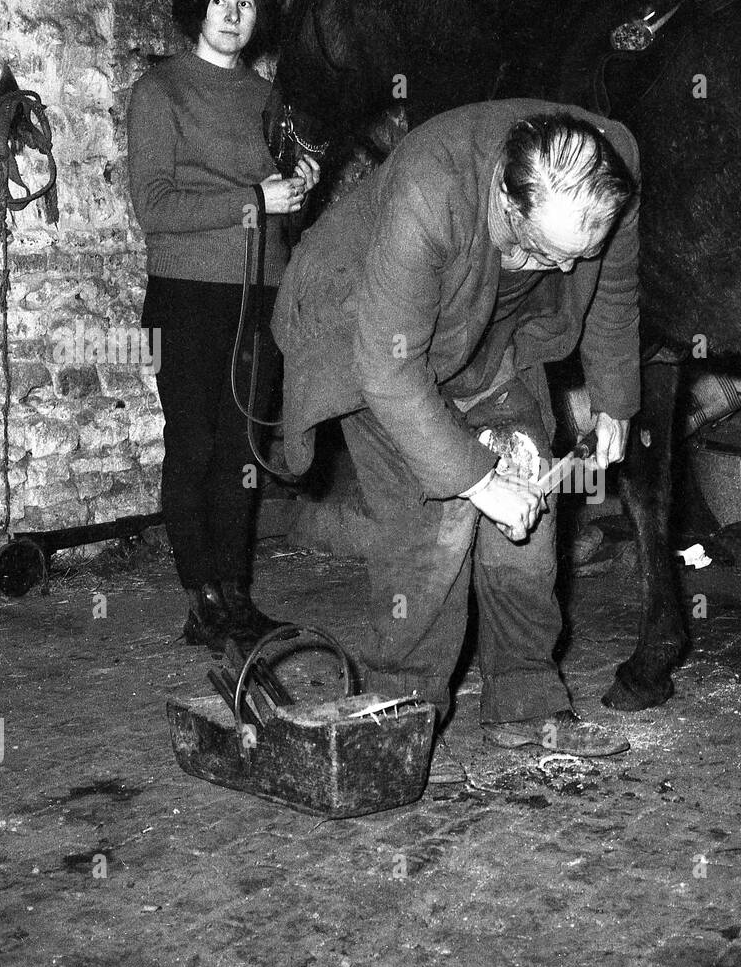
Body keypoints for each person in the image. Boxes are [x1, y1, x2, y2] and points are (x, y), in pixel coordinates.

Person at [273, 100, 640, 752]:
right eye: (543, 250)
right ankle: (401, 714)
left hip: (490, 334)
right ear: (505, 193)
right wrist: (475, 479)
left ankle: (526, 704)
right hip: (372, 330)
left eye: (573, 255)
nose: (560, 270)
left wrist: (614, 399)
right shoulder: (429, 187)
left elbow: (611, 290)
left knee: (531, 488)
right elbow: (392, 372)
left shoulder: (614, 166)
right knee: (436, 517)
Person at [126, 0, 321, 652]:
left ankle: (236, 597)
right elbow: (154, 206)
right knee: (195, 445)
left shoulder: (270, 100)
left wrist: (299, 188)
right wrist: (254, 199)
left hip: (259, 291)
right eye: (220, 2)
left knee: (245, 447)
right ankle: (198, 599)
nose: (234, 15)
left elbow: (284, 207)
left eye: (245, 4)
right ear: (195, 11)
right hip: (187, 296)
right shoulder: (160, 90)